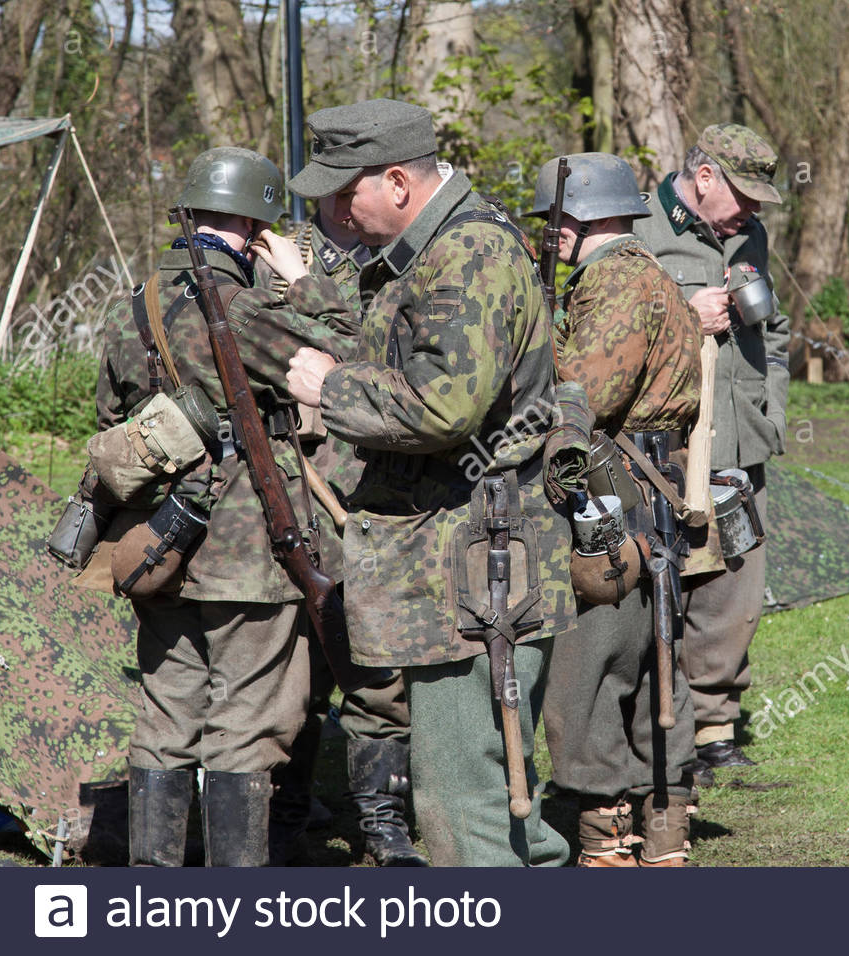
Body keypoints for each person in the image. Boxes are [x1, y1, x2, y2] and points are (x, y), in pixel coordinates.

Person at [268, 98, 575, 866]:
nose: (335, 210)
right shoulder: (438, 251)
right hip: (468, 556)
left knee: (463, 801)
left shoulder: (465, 256)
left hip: (474, 568)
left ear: (399, 182)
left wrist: (331, 388)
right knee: (498, 790)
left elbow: (445, 406)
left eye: (346, 191)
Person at [96, 147, 352, 866]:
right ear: (251, 221)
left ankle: (154, 890)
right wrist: (307, 287)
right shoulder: (248, 310)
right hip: (248, 553)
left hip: (158, 542)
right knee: (246, 723)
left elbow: (108, 414)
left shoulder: (137, 304)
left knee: (166, 712)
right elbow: (346, 365)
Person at [530, 153, 703, 866]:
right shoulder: (643, 272)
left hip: (615, 481)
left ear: (581, 217)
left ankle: (611, 841)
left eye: (554, 219)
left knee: (590, 661)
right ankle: (657, 832)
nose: (549, 232)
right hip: (645, 479)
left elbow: (583, 396)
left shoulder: (617, 280)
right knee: (646, 655)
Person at [257, 197, 423, 867]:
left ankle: (383, 824)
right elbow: (274, 357)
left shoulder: (407, 255)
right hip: (297, 493)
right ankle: (285, 818)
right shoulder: (273, 263)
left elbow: (409, 365)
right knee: (289, 675)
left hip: (383, 497)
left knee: (379, 670)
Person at [632, 123, 789, 777]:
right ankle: (658, 727)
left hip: (737, 441)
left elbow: (772, 332)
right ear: (704, 178)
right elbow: (595, 331)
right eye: (744, 194)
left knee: (732, 594)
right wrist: (678, 315)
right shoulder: (636, 229)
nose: (752, 210)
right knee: (660, 585)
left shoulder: (750, 236)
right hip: (662, 448)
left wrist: (769, 414)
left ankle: (716, 733)